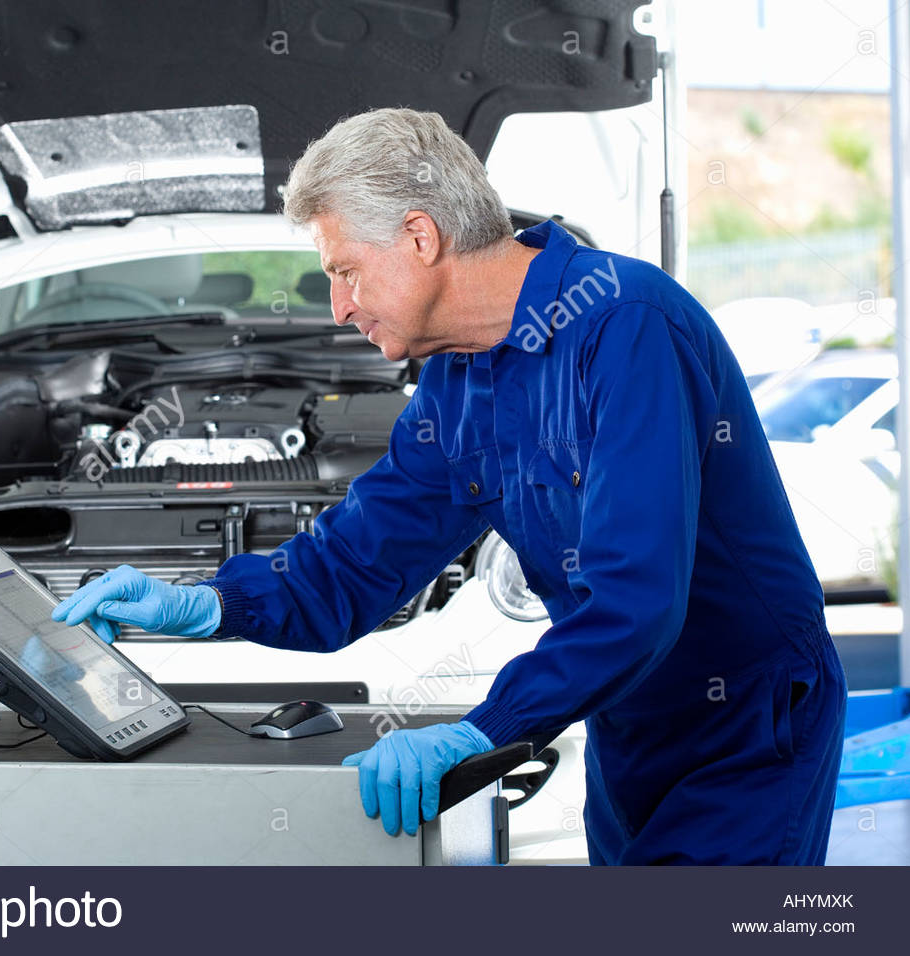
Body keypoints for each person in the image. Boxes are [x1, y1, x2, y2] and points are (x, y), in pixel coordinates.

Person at [52, 108, 847, 865]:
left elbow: (638, 600)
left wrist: (481, 730)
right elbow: (357, 564)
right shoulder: (457, 386)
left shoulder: (624, 325)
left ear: (420, 236)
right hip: (626, 714)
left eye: (345, 271)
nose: (338, 309)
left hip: (744, 723)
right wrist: (207, 602)